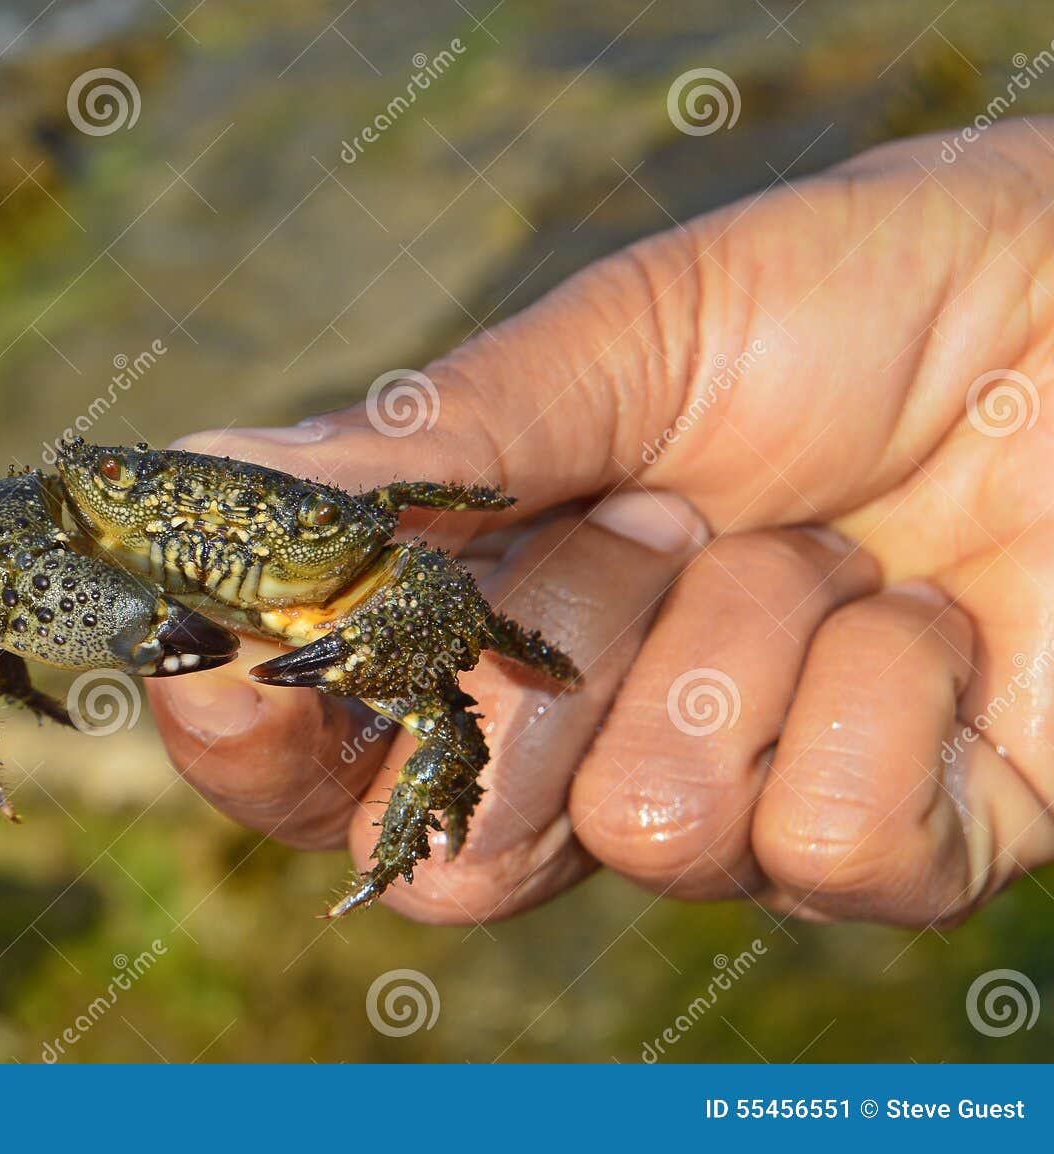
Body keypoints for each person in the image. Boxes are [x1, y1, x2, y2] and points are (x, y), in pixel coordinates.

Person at [146, 119, 1054, 928]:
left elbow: (446, 604)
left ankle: (395, 863)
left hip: (362, 598)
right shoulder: (89, 512)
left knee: (462, 732)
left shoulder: (397, 562)